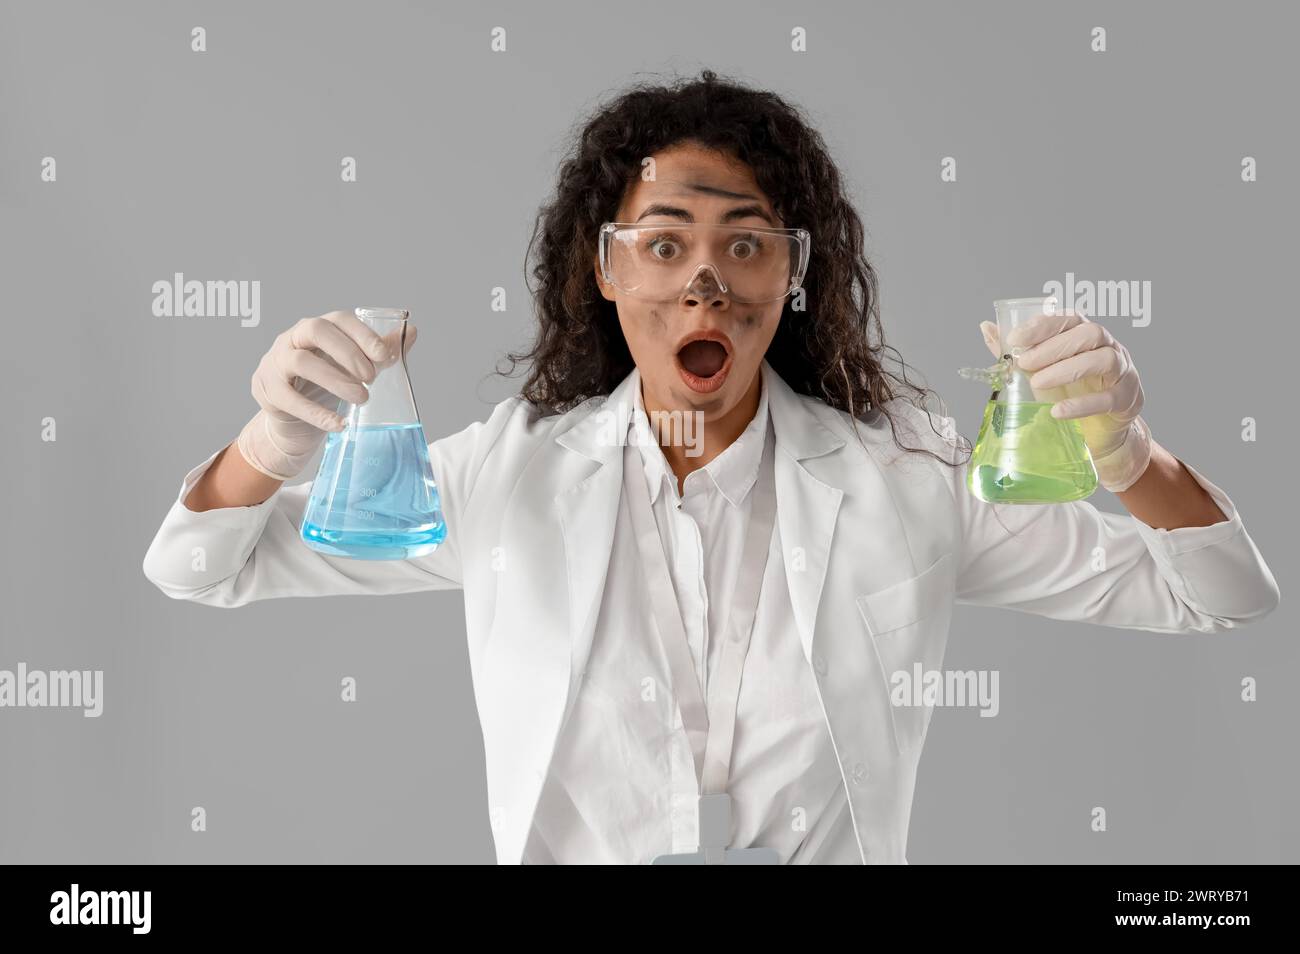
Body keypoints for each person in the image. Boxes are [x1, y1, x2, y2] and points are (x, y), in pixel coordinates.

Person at [142, 70, 1279, 864]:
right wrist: (272, 447)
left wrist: (1124, 454)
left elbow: (1218, 595)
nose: (705, 280)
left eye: (746, 242)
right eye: (664, 241)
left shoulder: (908, 480)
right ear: (602, 269)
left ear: (789, 279)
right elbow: (199, 569)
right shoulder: (507, 480)